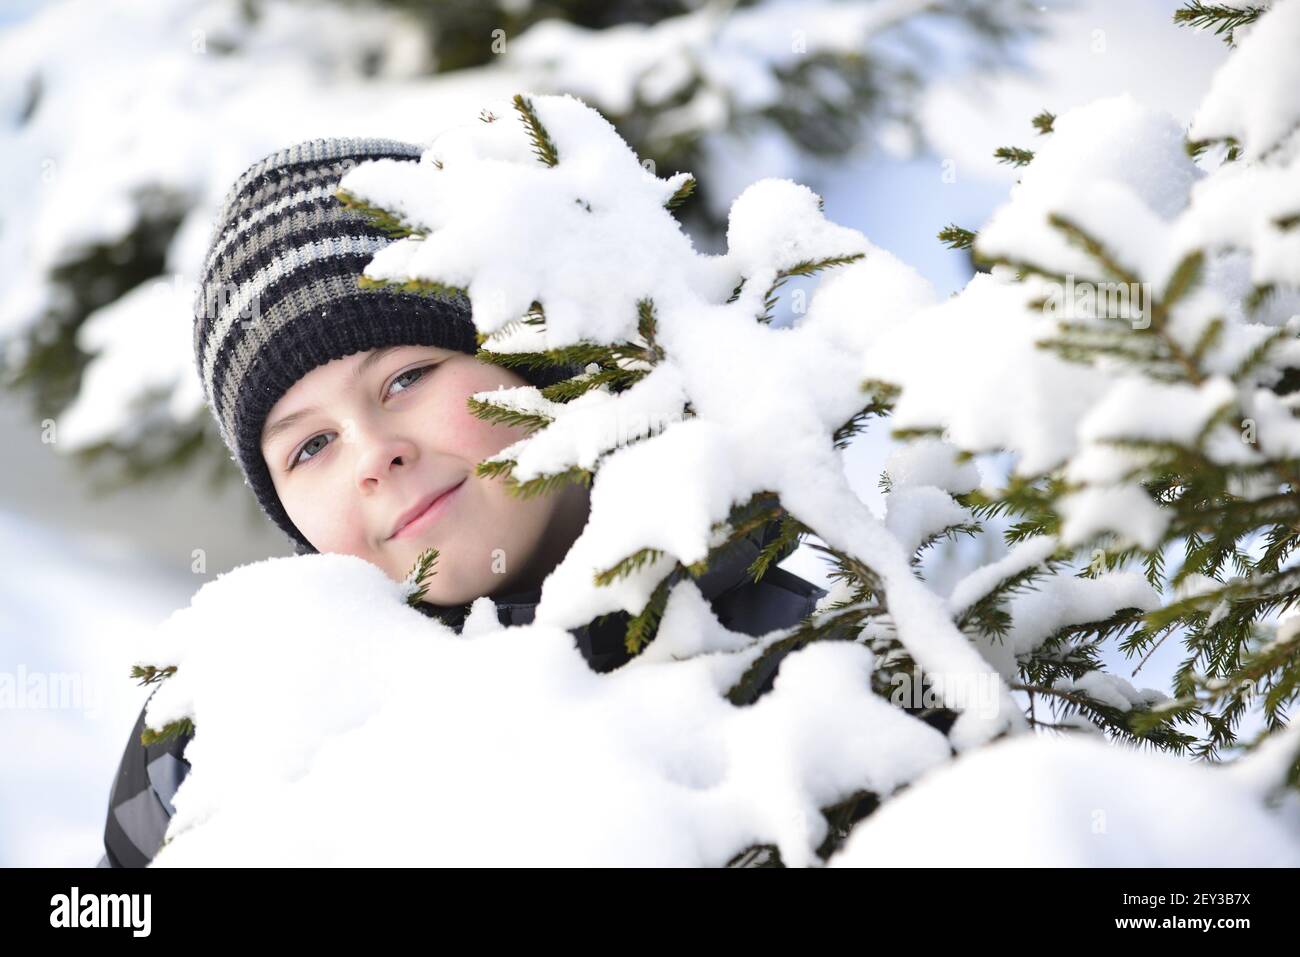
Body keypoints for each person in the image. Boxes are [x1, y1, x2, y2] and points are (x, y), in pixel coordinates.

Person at [97, 137, 833, 868]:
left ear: (529, 357)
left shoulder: (796, 659)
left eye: (407, 377)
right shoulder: (215, 743)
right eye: (312, 446)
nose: (374, 453)